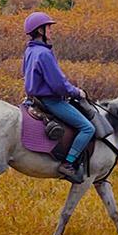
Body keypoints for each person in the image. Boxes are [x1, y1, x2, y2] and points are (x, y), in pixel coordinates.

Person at [22, 11, 94, 183]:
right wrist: (77, 92)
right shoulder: (44, 53)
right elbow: (58, 84)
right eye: (49, 27)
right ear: (40, 31)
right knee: (88, 128)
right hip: (51, 101)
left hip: (33, 99)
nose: (51, 30)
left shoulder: (30, 51)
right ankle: (68, 164)